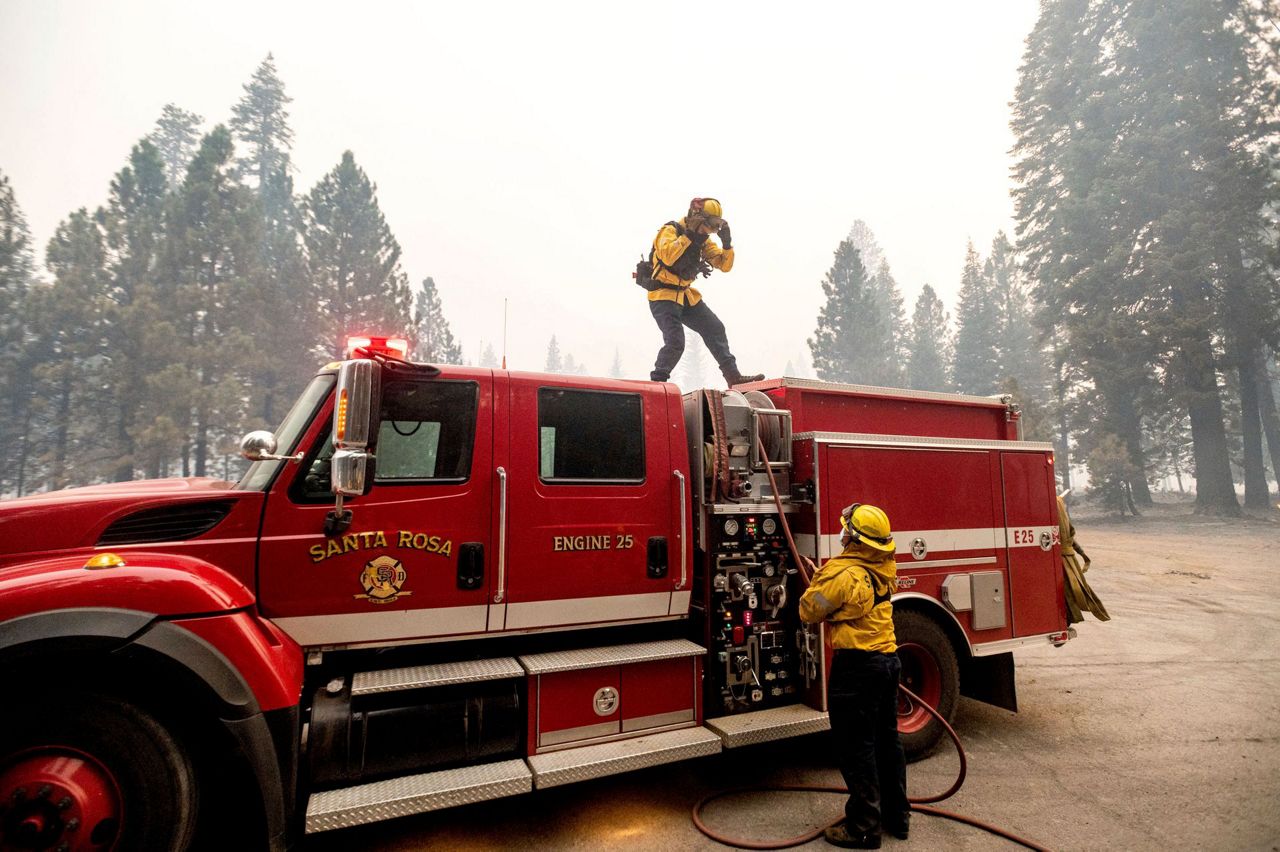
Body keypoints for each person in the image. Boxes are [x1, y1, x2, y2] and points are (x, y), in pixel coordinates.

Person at [799, 503, 909, 849]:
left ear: (857, 540)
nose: (843, 533)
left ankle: (863, 828)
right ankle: (898, 817)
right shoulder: (882, 566)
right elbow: (852, 598)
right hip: (888, 661)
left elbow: (809, 609)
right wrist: (825, 575)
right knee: (887, 743)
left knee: (855, 748)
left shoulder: (842, 574)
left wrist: (818, 578)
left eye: (848, 530)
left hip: (857, 668)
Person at [646, 197, 764, 386]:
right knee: (675, 342)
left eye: (715, 227)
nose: (708, 232)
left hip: (685, 296)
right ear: (696, 218)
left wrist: (727, 245)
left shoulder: (703, 241)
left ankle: (733, 377)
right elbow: (667, 256)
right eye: (708, 226)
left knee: (714, 328)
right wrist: (689, 236)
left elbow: (723, 265)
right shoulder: (670, 231)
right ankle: (658, 383)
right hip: (663, 296)